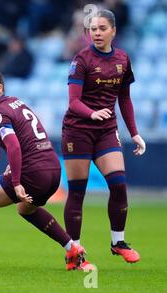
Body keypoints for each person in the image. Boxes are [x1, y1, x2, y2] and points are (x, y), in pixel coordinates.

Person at [0, 69, 88, 271]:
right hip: (53, 169)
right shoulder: (15, 102)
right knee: (26, 209)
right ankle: (72, 248)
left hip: (33, 171)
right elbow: (30, 136)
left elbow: (14, 146)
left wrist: (17, 182)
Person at [62, 9, 145, 267]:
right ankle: (74, 250)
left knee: (119, 184)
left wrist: (134, 132)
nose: (96, 33)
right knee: (77, 191)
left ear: (113, 31)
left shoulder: (122, 58)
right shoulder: (81, 59)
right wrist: (92, 113)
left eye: (101, 28)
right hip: (78, 130)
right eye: (93, 29)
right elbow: (73, 102)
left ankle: (117, 241)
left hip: (106, 130)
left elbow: (125, 98)